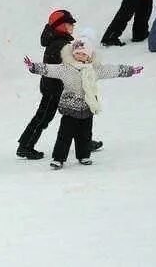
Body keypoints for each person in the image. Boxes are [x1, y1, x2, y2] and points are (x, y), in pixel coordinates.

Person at [24, 38, 142, 169]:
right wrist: (33, 67)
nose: (79, 56)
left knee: (85, 134)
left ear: (90, 56)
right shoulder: (66, 68)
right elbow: (50, 69)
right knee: (64, 135)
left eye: (83, 54)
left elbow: (112, 70)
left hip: (87, 107)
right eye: (77, 53)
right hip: (69, 108)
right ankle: (58, 158)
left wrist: (130, 70)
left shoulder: (94, 70)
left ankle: (84, 155)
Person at [16, 10, 103, 160]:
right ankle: (25, 146)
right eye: (70, 24)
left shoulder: (59, 42)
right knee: (44, 118)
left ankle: (84, 143)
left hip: (57, 87)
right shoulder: (59, 44)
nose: (73, 26)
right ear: (61, 26)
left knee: (75, 116)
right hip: (53, 89)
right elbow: (63, 67)